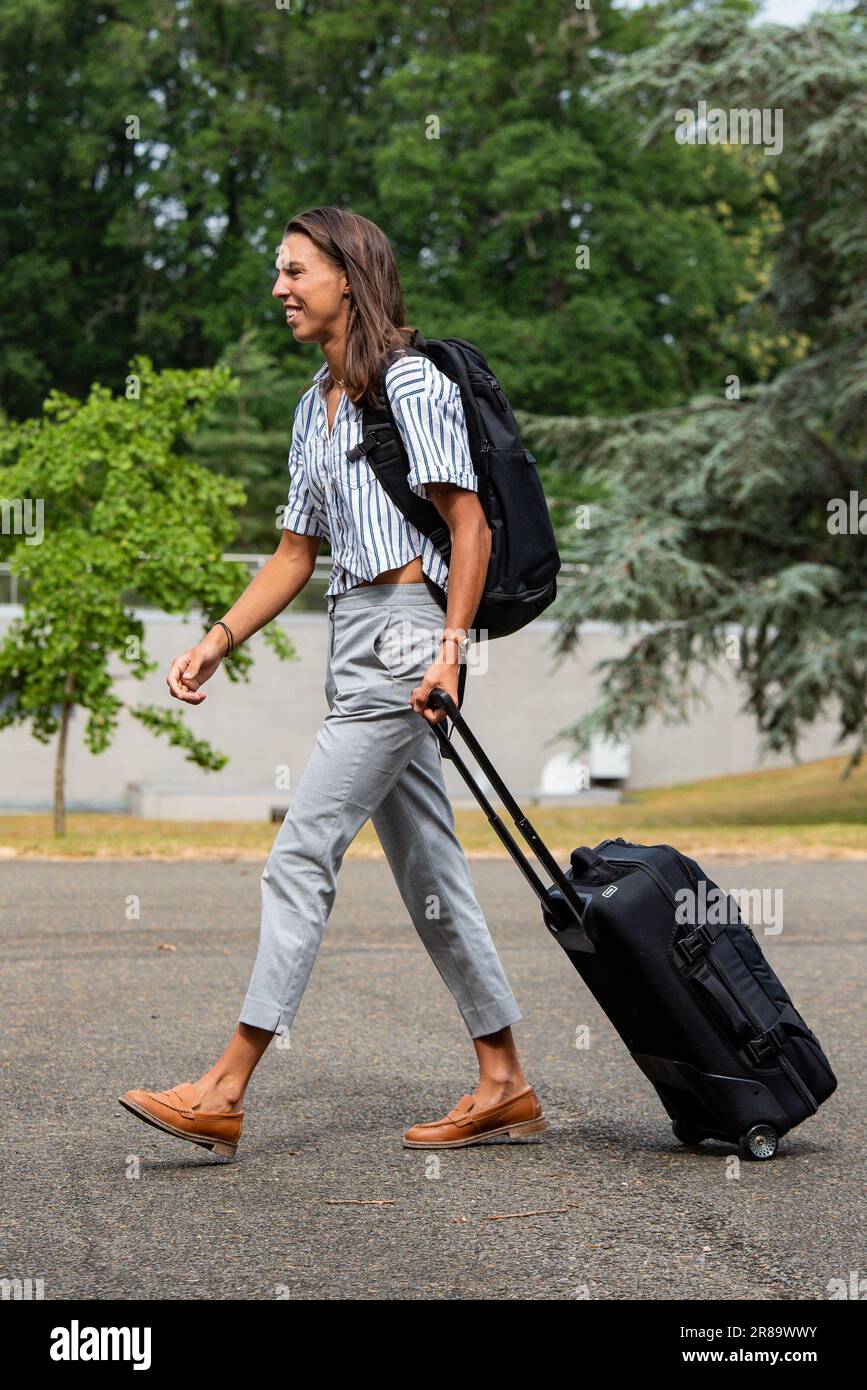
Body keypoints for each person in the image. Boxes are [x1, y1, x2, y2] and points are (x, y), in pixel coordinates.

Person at [119, 206, 545, 1160]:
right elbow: (294, 552)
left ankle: (224, 1090)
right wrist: (217, 638)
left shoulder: (413, 382)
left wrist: (448, 649)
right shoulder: (317, 404)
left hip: (405, 639)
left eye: (295, 270)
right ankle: (504, 1080)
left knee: (299, 854)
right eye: (280, 271)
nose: (280, 287)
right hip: (353, 631)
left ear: (347, 276)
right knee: (432, 875)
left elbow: (467, 526)